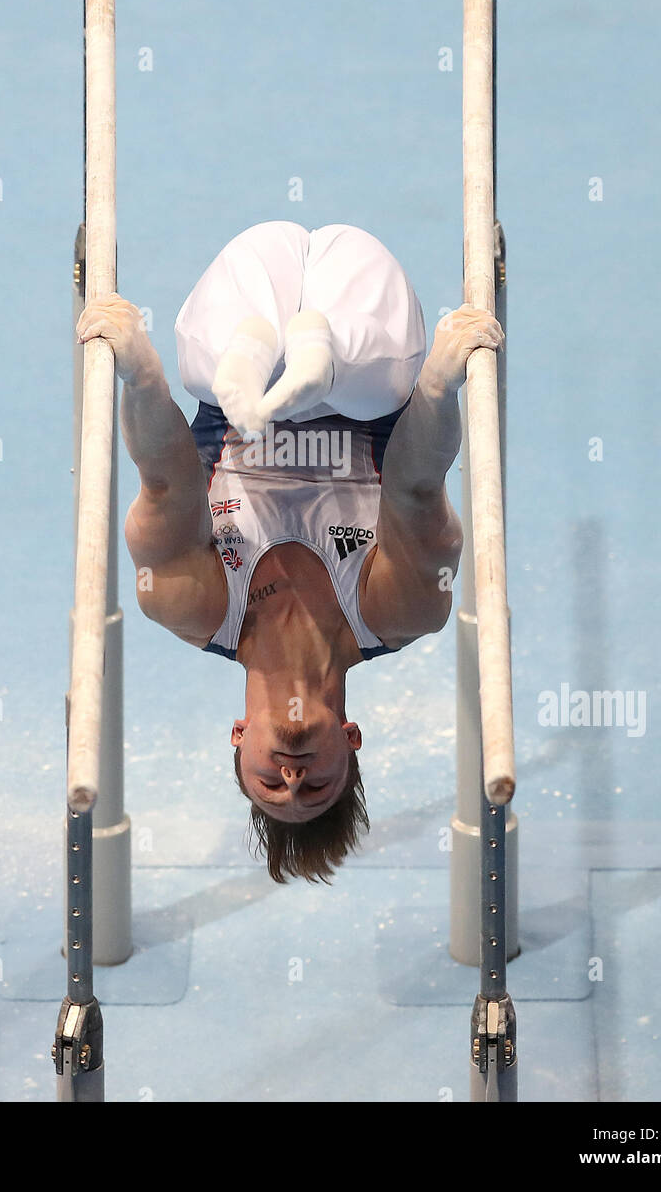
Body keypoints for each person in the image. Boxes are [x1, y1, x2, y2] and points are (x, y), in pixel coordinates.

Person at [76, 221, 504, 884]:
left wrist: (139, 373)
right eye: (318, 788)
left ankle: (263, 357)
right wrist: (439, 387)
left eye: (269, 788)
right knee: (366, 382)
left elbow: (166, 480)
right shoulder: (399, 614)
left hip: (245, 309)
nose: (291, 778)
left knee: (215, 369)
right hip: (368, 341)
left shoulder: (189, 607)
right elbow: (418, 487)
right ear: (351, 742)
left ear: (239, 738)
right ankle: (318, 359)